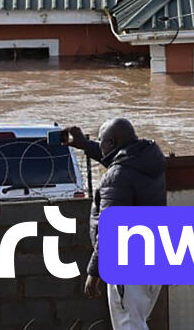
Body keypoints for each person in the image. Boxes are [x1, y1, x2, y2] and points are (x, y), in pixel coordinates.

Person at [64, 118, 167, 330]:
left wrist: (94, 272)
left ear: (112, 141)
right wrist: (86, 145)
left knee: (128, 324)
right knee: (136, 320)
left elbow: (110, 229)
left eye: (101, 141)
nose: (100, 145)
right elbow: (120, 165)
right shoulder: (147, 162)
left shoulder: (119, 175)